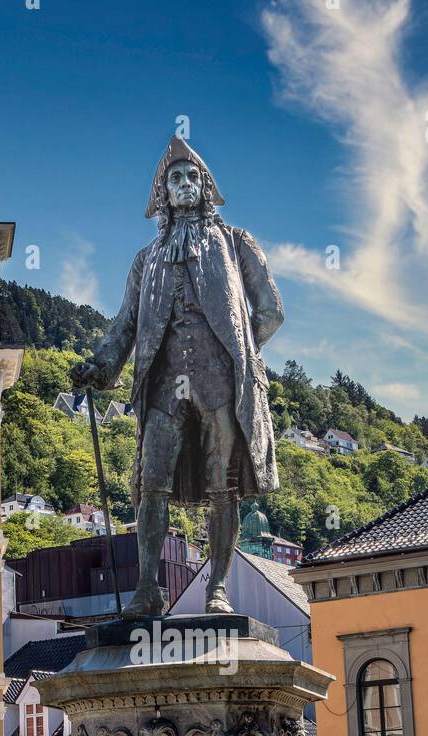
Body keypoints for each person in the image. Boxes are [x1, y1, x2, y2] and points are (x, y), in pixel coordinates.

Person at [70, 135, 284, 617]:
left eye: (192, 177)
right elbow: (125, 324)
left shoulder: (235, 242)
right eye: (174, 178)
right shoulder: (145, 261)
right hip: (164, 386)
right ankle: (148, 590)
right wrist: (100, 364)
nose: (183, 184)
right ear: (162, 192)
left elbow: (269, 310)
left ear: (205, 187)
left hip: (220, 385)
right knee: (150, 482)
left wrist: (243, 355)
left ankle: (218, 590)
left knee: (221, 485)